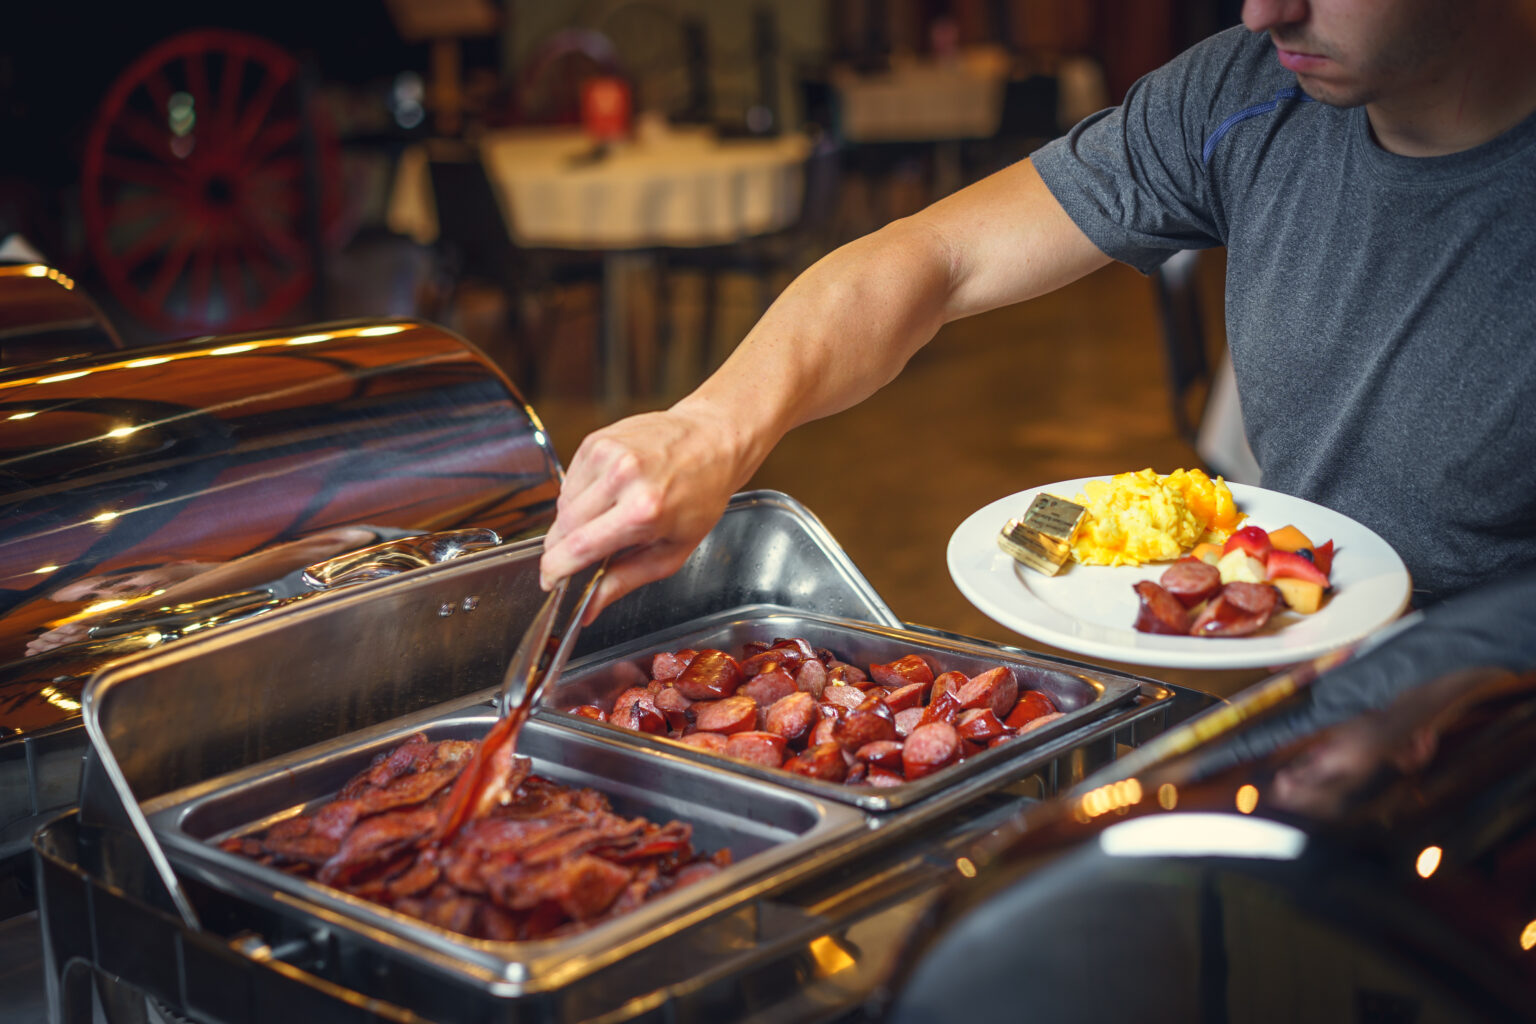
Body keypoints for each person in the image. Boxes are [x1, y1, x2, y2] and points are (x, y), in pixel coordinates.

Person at [539, 0, 1536, 629]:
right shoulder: (1245, 91)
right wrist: (711, 426)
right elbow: (935, 256)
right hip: (1291, 690)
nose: (1263, 8)